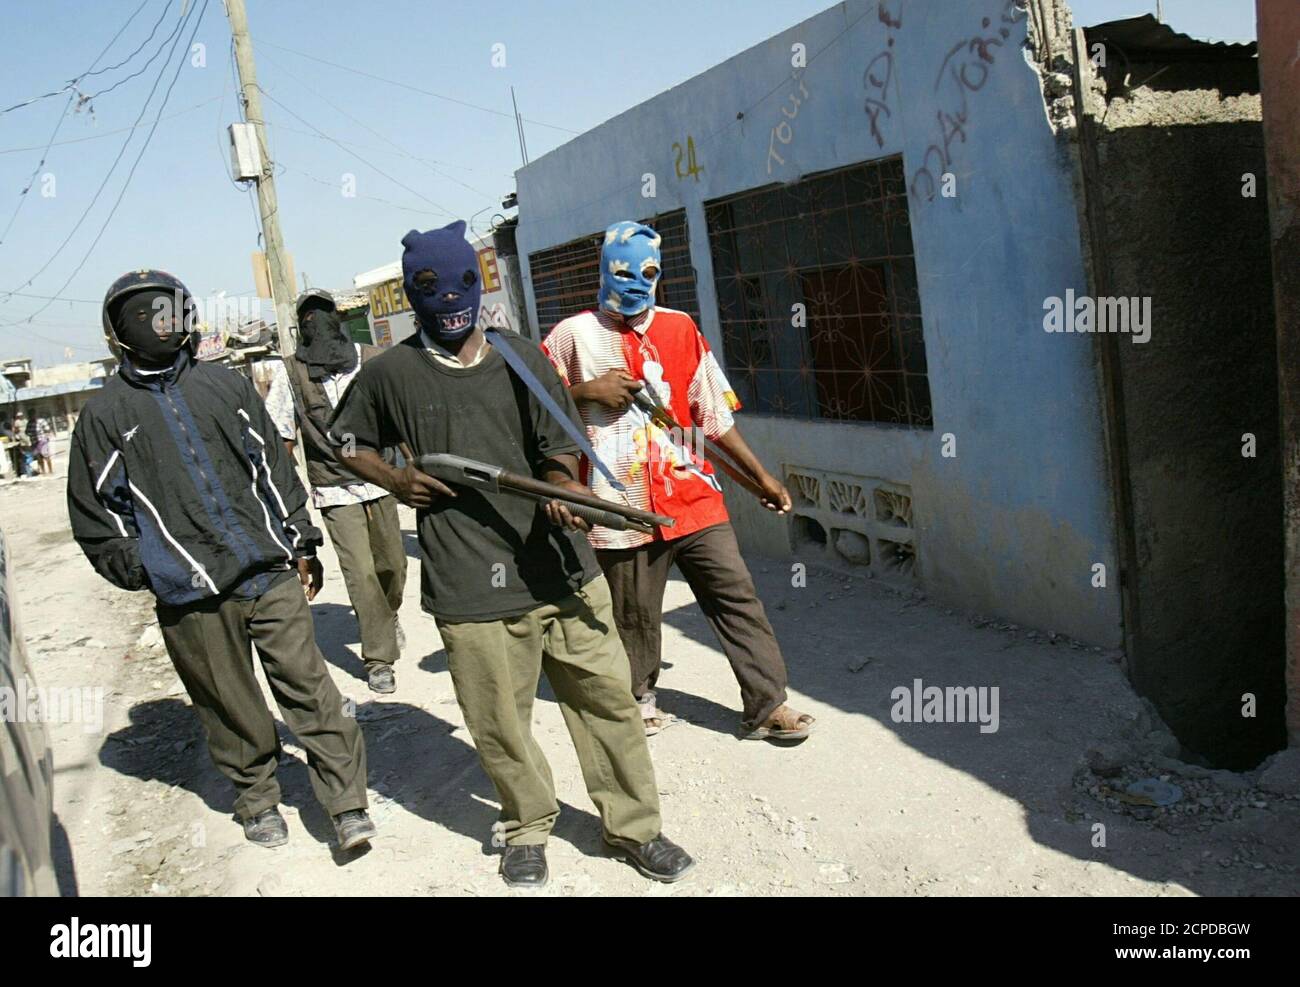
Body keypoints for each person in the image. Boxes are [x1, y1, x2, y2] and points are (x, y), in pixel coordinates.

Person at [329, 221, 694, 887]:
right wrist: (396, 480)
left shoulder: (522, 358)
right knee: (499, 721)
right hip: (469, 582)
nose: (450, 303)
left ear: (477, 284)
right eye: (432, 289)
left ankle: (635, 827)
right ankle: (527, 827)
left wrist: (561, 488)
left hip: (561, 569)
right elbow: (344, 441)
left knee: (608, 701)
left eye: (461, 286)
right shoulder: (388, 374)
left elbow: (558, 447)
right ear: (412, 295)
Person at [66, 269, 375, 852]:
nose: (159, 324)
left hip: (268, 572)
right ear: (118, 331)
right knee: (230, 705)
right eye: (142, 315)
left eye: (168, 311)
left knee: (310, 689)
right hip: (190, 595)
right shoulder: (105, 415)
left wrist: (301, 540)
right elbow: (99, 518)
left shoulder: (225, 387)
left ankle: (346, 803)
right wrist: (149, 567)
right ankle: (258, 799)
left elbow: (274, 468)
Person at [543, 220, 815, 742]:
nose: (635, 284)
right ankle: (639, 697)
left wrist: (760, 476)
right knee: (634, 612)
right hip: (620, 500)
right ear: (604, 271)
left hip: (692, 492)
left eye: (647, 273)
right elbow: (535, 409)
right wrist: (585, 393)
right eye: (623, 272)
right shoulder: (570, 337)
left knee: (735, 595)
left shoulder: (680, 327)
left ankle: (767, 705)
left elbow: (713, 414)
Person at [265, 289, 407, 694]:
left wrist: (414, 467)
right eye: (308, 318)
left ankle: (388, 616)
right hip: (333, 488)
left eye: (323, 314)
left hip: (381, 478)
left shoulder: (373, 359)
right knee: (361, 573)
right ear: (300, 327)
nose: (317, 324)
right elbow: (280, 436)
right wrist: (281, 496)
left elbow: (400, 418)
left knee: (393, 566)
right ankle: (379, 658)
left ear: (337, 319)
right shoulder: (291, 374)